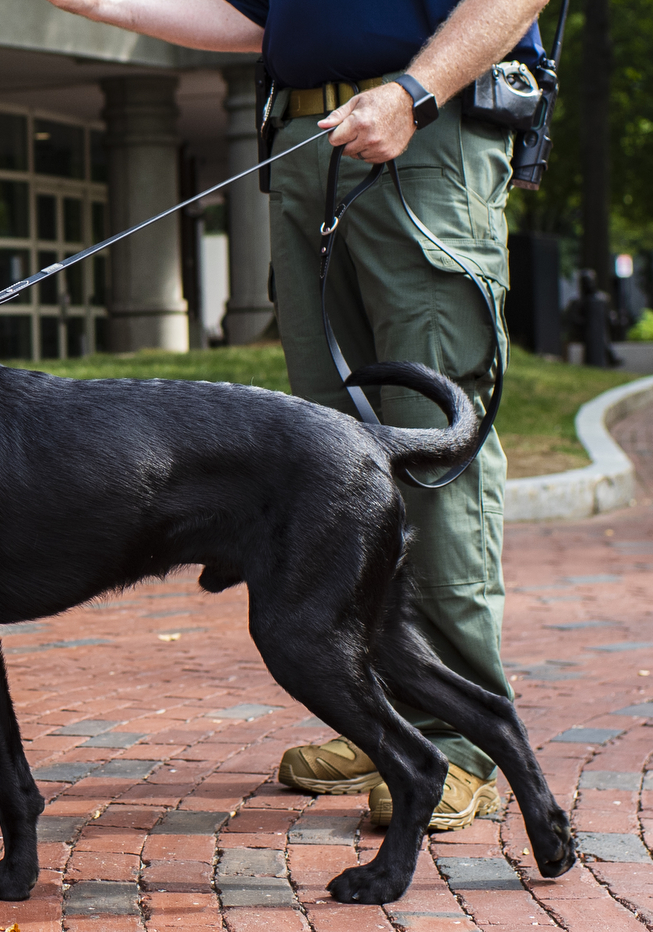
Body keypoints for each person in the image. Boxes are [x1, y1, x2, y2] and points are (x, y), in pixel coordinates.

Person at [47, 0, 546, 831]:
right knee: (336, 468)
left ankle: (457, 744)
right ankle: (380, 717)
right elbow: (250, 17)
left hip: (426, 134)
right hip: (311, 143)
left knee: (428, 452)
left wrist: (415, 94)